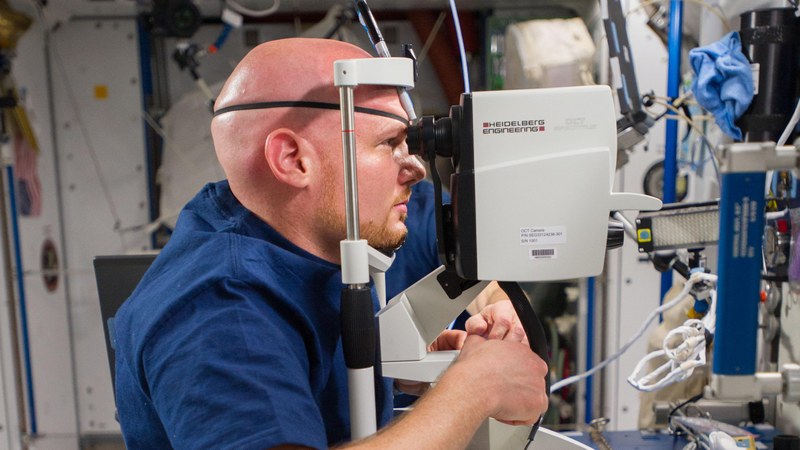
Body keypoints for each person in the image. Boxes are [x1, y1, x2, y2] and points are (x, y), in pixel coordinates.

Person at [114, 37, 548, 449]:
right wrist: (472, 390)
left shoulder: (302, 242)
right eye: (389, 144)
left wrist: (393, 367)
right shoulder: (218, 307)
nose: (415, 167)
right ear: (292, 159)